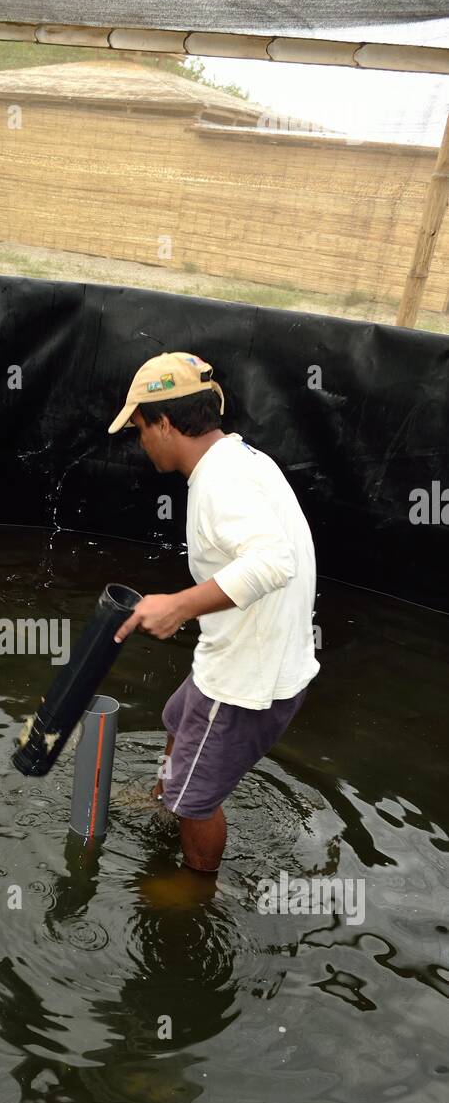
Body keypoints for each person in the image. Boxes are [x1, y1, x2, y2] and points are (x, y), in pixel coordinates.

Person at [109, 352, 319, 874]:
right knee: (177, 718)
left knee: (195, 801)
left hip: (245, 680)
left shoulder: (220, 483)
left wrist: (177, 606)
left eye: (140, 428)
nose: (140, 442)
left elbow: (273, 562)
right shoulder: (242, 459)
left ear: (164, 421)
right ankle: (164, 797)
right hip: (255, 659)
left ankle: (196, 892)